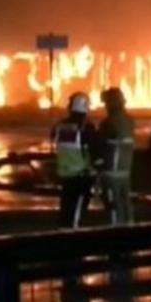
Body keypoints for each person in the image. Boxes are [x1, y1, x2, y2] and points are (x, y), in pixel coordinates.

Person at [51, 92, 99, 228]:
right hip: (81, 176)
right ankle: (73, 242)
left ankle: (64, 236)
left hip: (65, 175)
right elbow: (94, 149)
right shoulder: (86, 127)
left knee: (66, 210)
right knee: (76, 214)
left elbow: (55, 140)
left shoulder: (60, 126)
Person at [96, 87, 136, 226]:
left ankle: (115, 236)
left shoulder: (108, 123)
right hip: (125, 173)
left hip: (111, 173)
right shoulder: (130, 121)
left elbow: (99, 147)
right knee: (126, 206)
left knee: (113, 208)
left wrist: (97, 165)